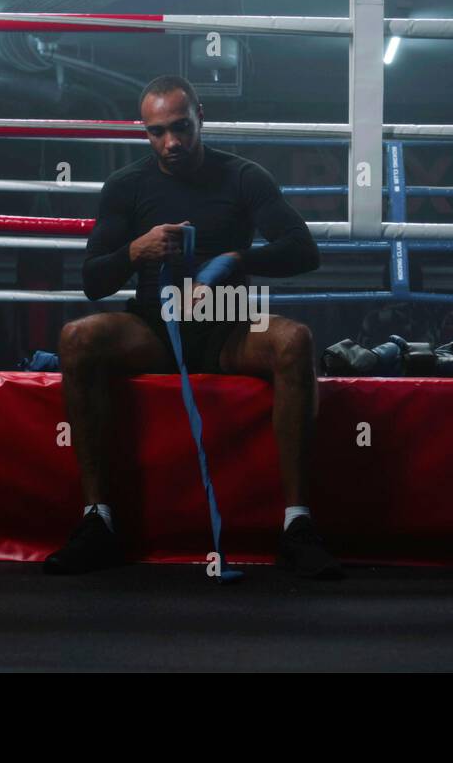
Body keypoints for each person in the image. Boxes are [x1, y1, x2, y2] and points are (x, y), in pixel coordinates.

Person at [45, 75, 343, 579]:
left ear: (200, 115)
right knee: (78, 337)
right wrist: (134, 252)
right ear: (146, 132)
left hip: (229, 326)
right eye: (157, 132)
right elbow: (94, 281)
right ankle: (98, 522)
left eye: (180, 128)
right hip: (156, 331)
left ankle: (297, 526)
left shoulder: (244, 177)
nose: (171, 143)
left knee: (295, 340)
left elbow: (303, 249)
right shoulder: (127, 186)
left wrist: (236, 256)